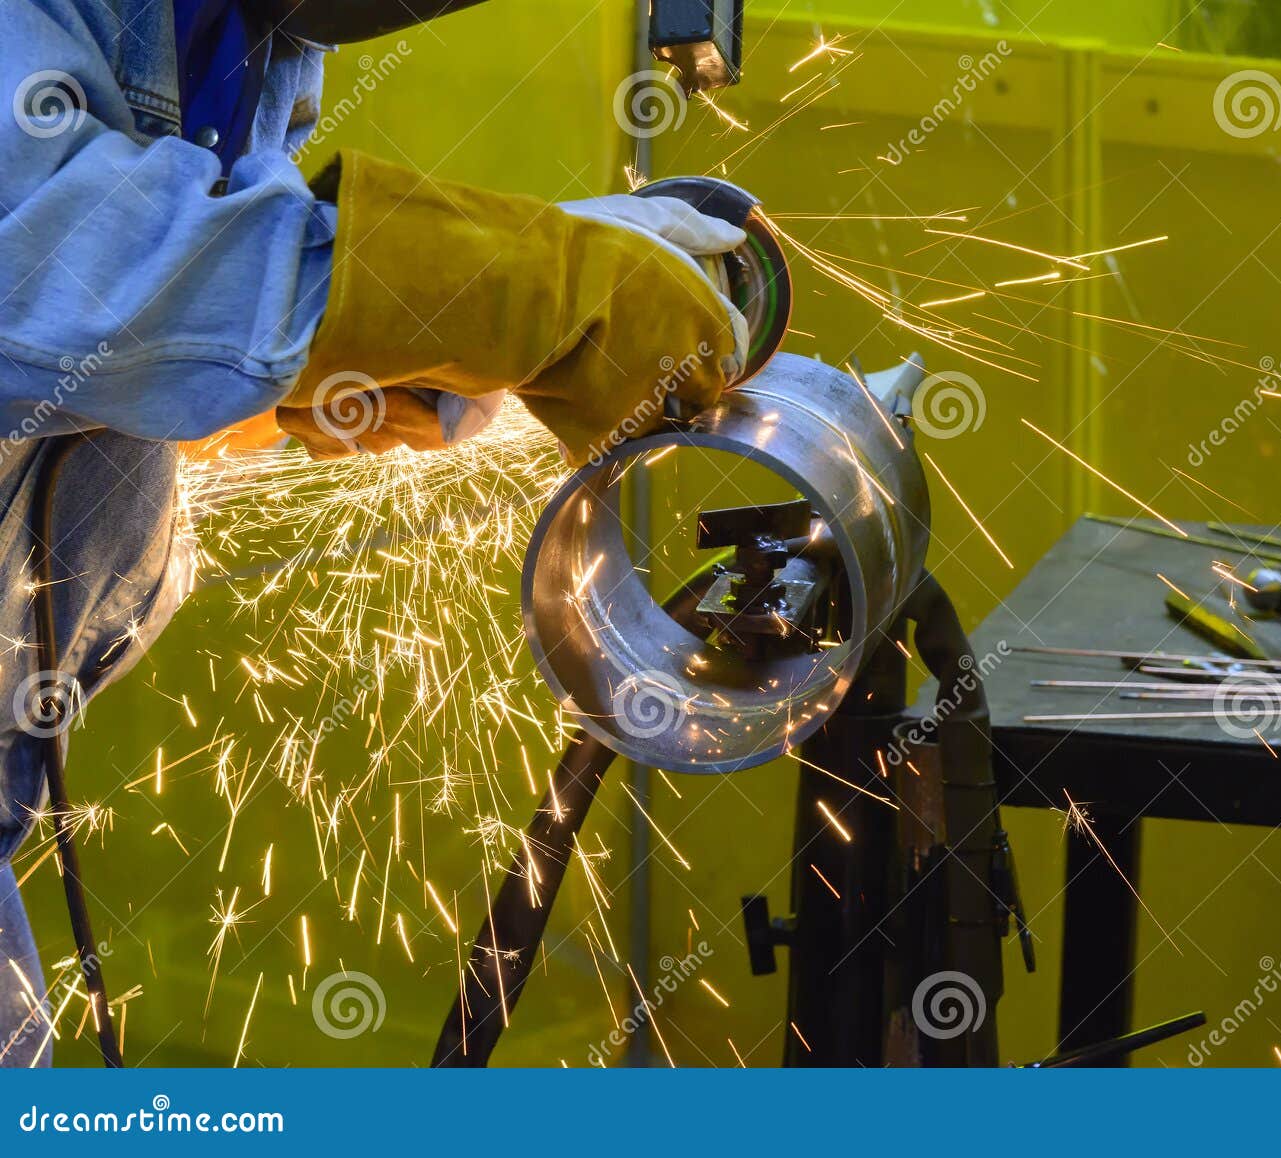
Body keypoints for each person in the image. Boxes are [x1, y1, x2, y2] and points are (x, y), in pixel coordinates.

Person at [0, 0, 748, 1065]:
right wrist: (531, 291)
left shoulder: (258, 31)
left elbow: (124, 319)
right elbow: (43, 246)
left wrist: (333, 354)